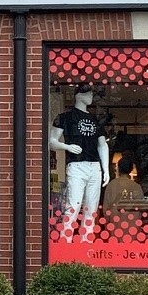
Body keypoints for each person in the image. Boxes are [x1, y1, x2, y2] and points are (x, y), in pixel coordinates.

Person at [50, 87, 108, 240]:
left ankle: (86, 243)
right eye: (87, 93)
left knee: (91, 209)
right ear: (78, 95)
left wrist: (106, 169)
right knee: (73, 206)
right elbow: (52, 142)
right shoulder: (64, 117)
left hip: (94, 167)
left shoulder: (96, 120)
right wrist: (67, 147)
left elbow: (102, 145)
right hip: (76, 166)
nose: (90, 96)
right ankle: (65, 243)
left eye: (90, 93)